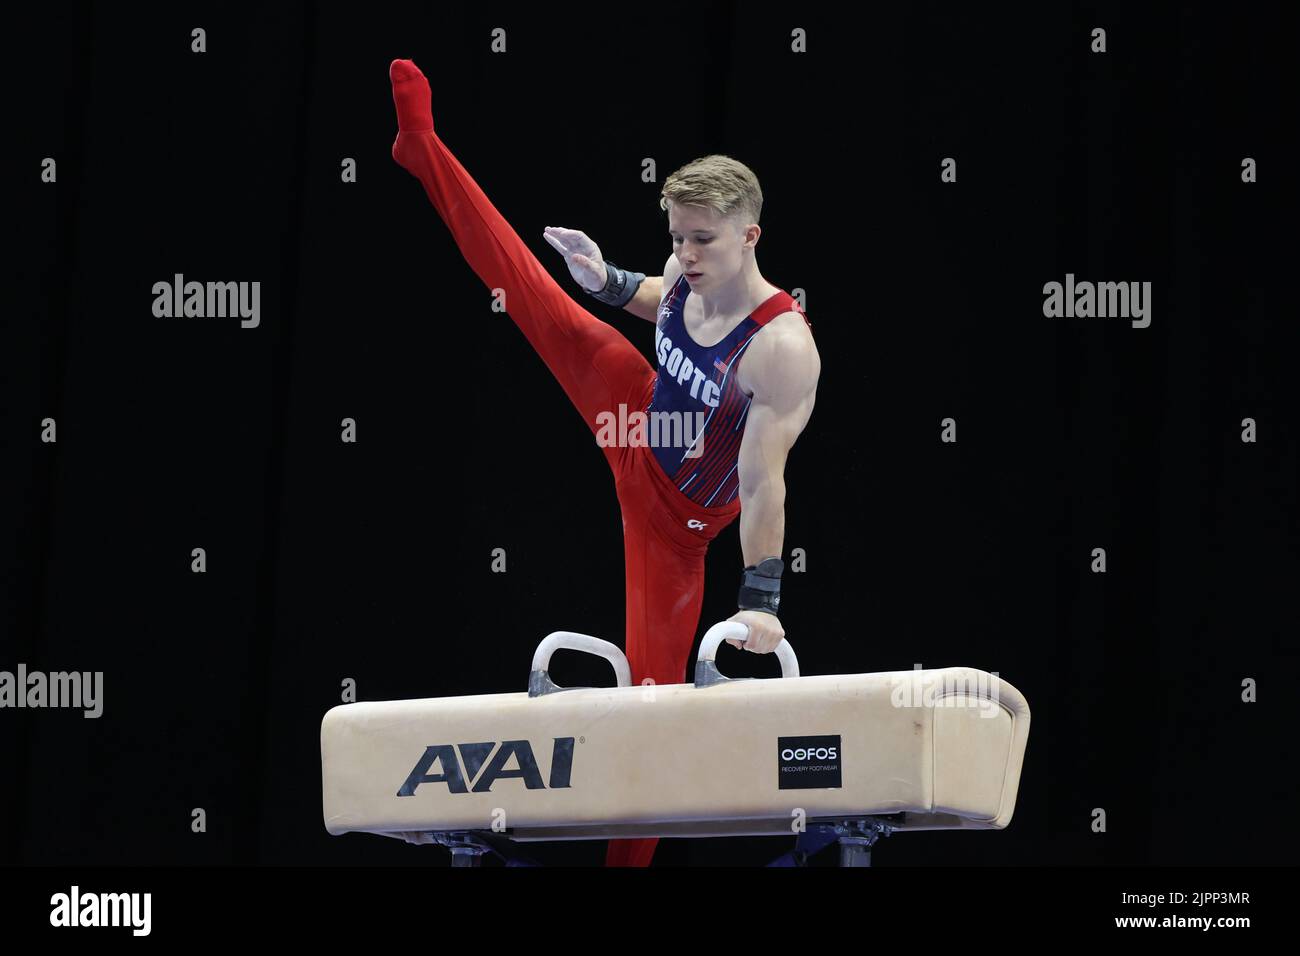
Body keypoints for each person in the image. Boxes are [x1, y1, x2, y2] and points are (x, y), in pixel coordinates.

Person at [388, 58, 820, 867]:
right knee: (534, 291)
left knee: (650, 719)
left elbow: (765, 485)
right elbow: (670, 303)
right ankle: (425, 150)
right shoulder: (688, 274)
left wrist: (760, 599)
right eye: (676, 239)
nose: (686, 254)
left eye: (703, 240)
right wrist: (609, 281)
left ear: (751, 236)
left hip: (677, 528)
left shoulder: (781, 349)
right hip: (634, 413)